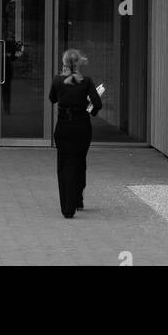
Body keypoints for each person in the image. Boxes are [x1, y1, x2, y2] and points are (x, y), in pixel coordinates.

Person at [49, 48, 101, 218]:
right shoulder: (86, 82)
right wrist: (89, 110)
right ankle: (78, 197)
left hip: (63, 126)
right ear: (79, 63)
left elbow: (52, 99)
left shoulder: (57, 80)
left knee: (63, 164)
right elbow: (97, 104)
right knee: (79, 162)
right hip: (82, 127)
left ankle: (67, 207)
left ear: (64, 63)